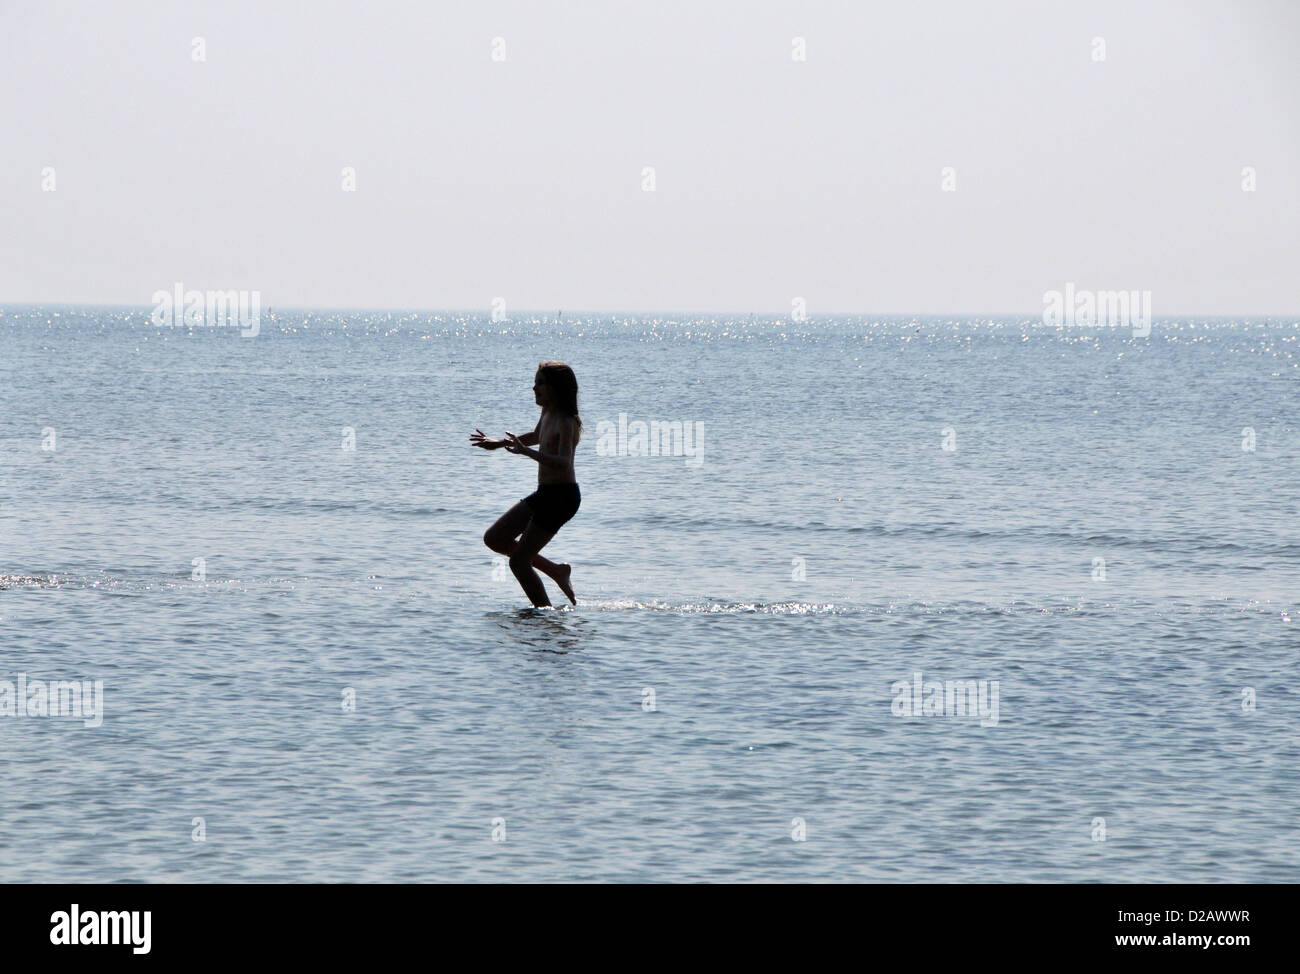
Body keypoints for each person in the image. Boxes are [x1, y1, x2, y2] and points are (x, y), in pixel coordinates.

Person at [471, 361, 582, 607]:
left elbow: (563, 462)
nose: (534, 388)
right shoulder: (548, 413)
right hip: (545, 494)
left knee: (519, 562)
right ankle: (555, 571)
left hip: (562, 498)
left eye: (540, 383)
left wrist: (526, 453)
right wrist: (499, 443)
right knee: (495, 538)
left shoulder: (567, 421)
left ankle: (544, 615)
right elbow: (535, 437)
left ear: (556, 388)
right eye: (535, 382)